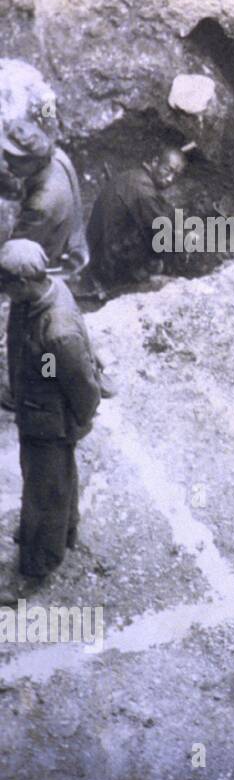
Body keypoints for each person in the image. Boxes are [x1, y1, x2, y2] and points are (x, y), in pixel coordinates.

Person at [0, 240, 100, 605]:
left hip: (50, 422)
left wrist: (71, 417)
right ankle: (65, 531)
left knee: (44, 494)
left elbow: (80, 385)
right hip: (39, 410)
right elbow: (50, 366)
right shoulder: (36, 298)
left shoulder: (56, 328)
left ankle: (37, 565)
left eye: (6, 284)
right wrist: (34, 380)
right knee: (55, 482)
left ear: (25, 281)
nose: (3, 291)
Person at [85, 146, 187, 289]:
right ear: (155, 162)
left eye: (176, 175)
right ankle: (129, 283)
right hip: (106, 265)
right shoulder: (144, 193)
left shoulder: (134, 175)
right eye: (167, 170)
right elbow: (165, 237)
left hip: (95, 246)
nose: (170, 179)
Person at [0, 119, 89, 275]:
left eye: (15, 164)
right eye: (6, 156)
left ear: (35, 162)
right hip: (73, 240)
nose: (8, 165)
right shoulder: (57, 156)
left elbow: (13, 254)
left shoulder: (41, 205)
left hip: (54, 261)